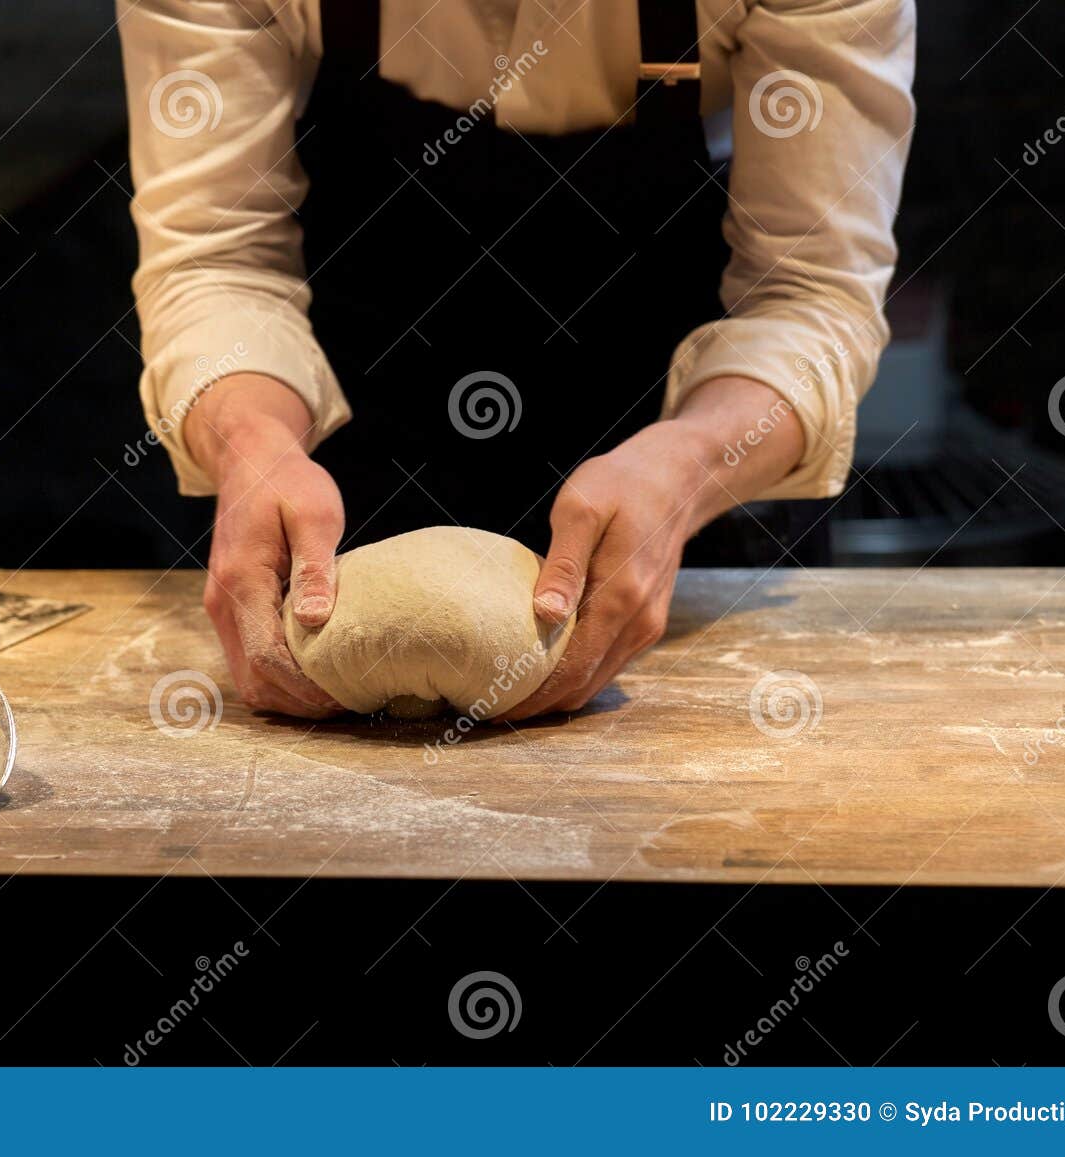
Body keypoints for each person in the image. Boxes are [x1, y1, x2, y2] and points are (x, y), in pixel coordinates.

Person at [117, 0, 915, 720]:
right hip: (352, 432)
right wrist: (252, 441)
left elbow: (809, 290)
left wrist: (694, 463)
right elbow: (217, 257)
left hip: (672, 445)